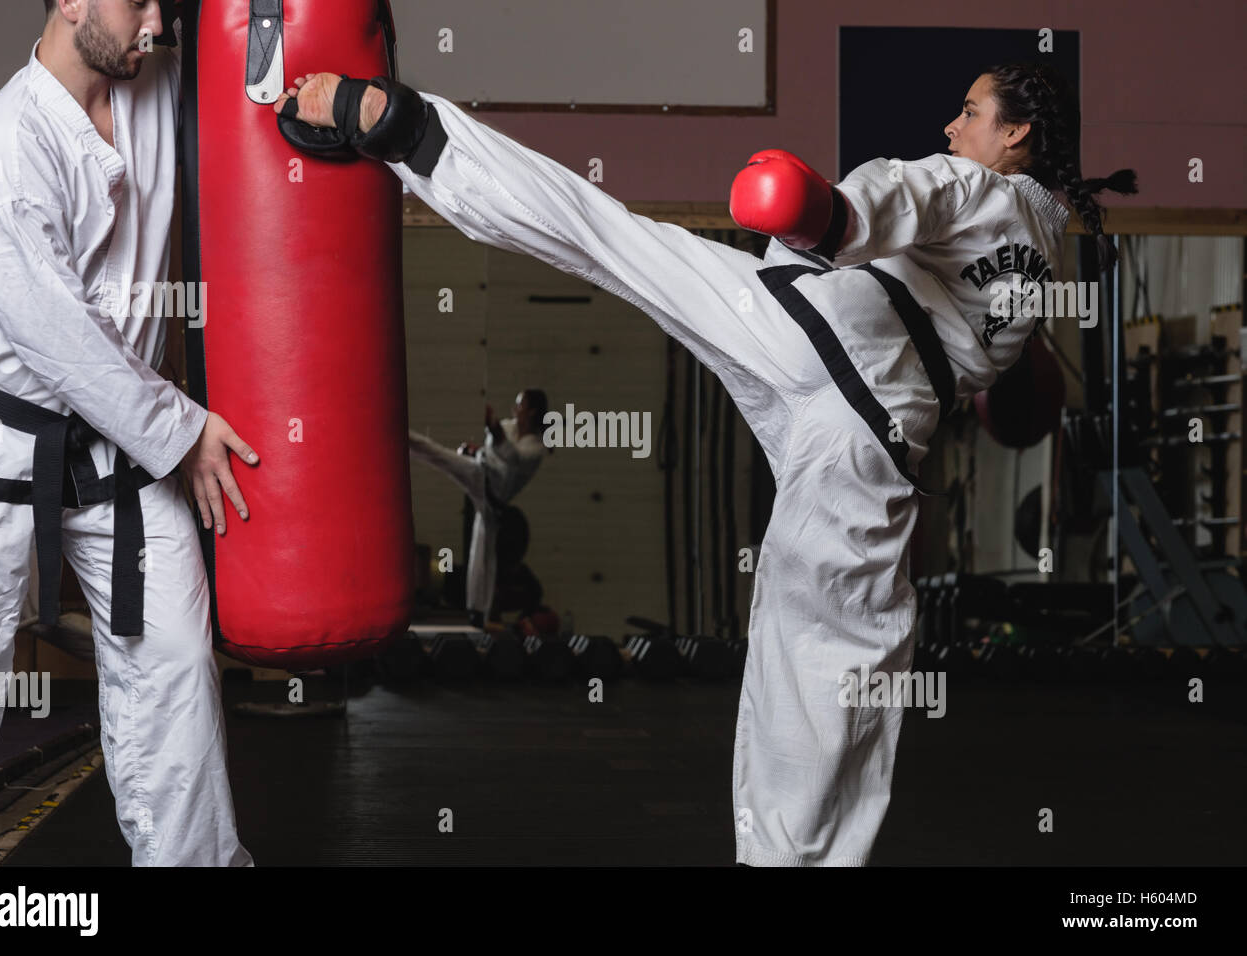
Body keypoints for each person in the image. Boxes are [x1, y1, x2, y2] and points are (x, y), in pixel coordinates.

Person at [273, 62, 1135, 866]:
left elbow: (904, 194)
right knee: (839, 664)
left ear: (1018, 136)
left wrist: (820, 212)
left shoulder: (977, 185)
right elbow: (976, 354)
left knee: (613, 240)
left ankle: (415, 135)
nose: (952, 125)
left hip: (804, 342)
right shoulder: (1042, 260)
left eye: (974, 112)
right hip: (869, 435)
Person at [0, 0, 255, 866]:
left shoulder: (151, 83)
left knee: (178, 676)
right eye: (138, 3)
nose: (156, 21)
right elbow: (62, 344)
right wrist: (183, 433)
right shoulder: (5, 149)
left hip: (126, 455)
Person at [409, 391, 547, 627]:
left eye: (520, 404)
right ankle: (400, 437)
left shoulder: (536, 447)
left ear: (532, 410)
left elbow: (512, 459)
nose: (515, 409)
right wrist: (477, 450)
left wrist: (494, 428)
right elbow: (491, 452)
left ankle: (477, 612)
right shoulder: (508, 426)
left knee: (482, 554)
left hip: (495, 497)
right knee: (438, 454)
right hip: (479, 473)